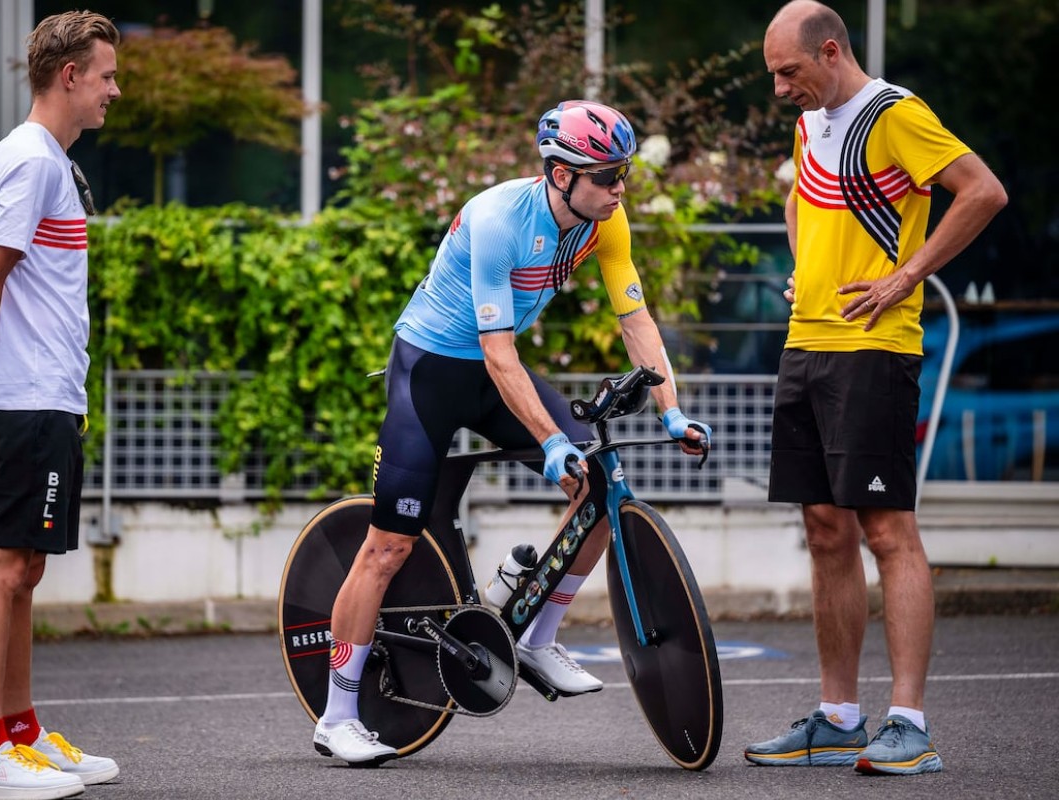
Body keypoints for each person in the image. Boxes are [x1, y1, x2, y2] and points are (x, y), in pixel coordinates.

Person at [310, 99, 712, 765]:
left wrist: (671, 411)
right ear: (562, 175)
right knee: (388, 547)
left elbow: (635, 322)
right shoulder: (499, 220)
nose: (620, 188)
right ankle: (338, 716)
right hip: (431, 372)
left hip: (492, 372)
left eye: (625, 174)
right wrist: (550, 441)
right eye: (607, 176)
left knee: (600, 485)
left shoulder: (605, 222)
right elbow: (498, 355)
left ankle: (536, 638)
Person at [747, 0, 1007, 777]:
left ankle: (910, 725)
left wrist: (905, 276)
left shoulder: (894, 114)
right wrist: (804, 270)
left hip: (874, 350)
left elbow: (982, 191)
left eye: (788, 71)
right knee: (824, 529)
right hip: (808, 344)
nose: (780, 88)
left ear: (831, 51)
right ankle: (837, 720)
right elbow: (799, 198)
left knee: (888, 532)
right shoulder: (811, 120)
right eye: (773, 75)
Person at [0, 10, 123, 799]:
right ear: (70, 75)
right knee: (1, 566)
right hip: (29, 394)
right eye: (107, 76)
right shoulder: (31, 162)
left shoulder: (43, 160)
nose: (115, 90)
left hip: (45, 394)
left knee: (26, 566)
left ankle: (18, 733)